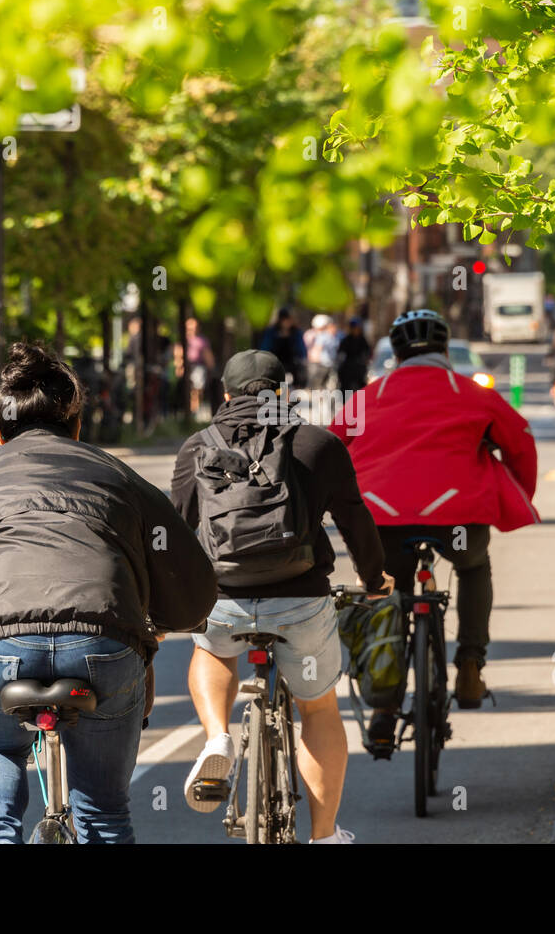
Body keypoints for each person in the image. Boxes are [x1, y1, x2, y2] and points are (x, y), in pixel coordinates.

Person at [0, 342, 217, 844]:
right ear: (77, 426)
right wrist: (168, 617)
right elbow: (192, 578)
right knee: (104, 814)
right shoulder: (119, 475)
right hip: (104, 641)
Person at [170, 349, 393, 844]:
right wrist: (375, 581)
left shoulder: (197, 448)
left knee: (210, 649)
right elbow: (356, 522)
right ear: (283, 394)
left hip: (223, 600)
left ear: (224, 394)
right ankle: (325, 835)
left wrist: (168, 602)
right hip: (300, 602)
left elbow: (175, 532)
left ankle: (217, 737)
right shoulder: (318, 444)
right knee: (317, 708)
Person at [328, 310, 539, 755]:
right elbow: (520, 441)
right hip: (457, 516)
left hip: (382, 516)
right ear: (445, 351)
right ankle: (469, 665)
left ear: (397, 354)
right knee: (473, 566)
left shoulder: (369, 396)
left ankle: (384, 705)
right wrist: (518, 492)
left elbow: (330, 449)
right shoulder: (471, 393)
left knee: (387, 590)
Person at [257, 306, 308, 387]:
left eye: (289, 319)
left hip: (293, 364)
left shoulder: (296, 333)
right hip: (275, 364)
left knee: (294, 385)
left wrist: (303, 359)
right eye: (285, 319)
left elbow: (301, 349)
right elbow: (265, 348)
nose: (287, 322)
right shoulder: (271, 332)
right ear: (280, 320)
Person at [184, 316, 216, 416]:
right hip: (186, 367)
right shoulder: (184, 339)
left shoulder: (202, 340)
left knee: (197, 389)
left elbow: (207, 355)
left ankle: (194, 410)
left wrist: (212, 367)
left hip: (198, 367)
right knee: (188, 389)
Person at [335, 317, 372, 394]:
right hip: (347, 370)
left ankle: (359, 405)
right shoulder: (346, 340)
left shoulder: (363, 340)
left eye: (357, 328)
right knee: (346, 391)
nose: (356, 330)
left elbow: (368, 353)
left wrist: (365, 361)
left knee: (360, 392)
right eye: (354, 328)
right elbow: (340, 354)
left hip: (359, 371)